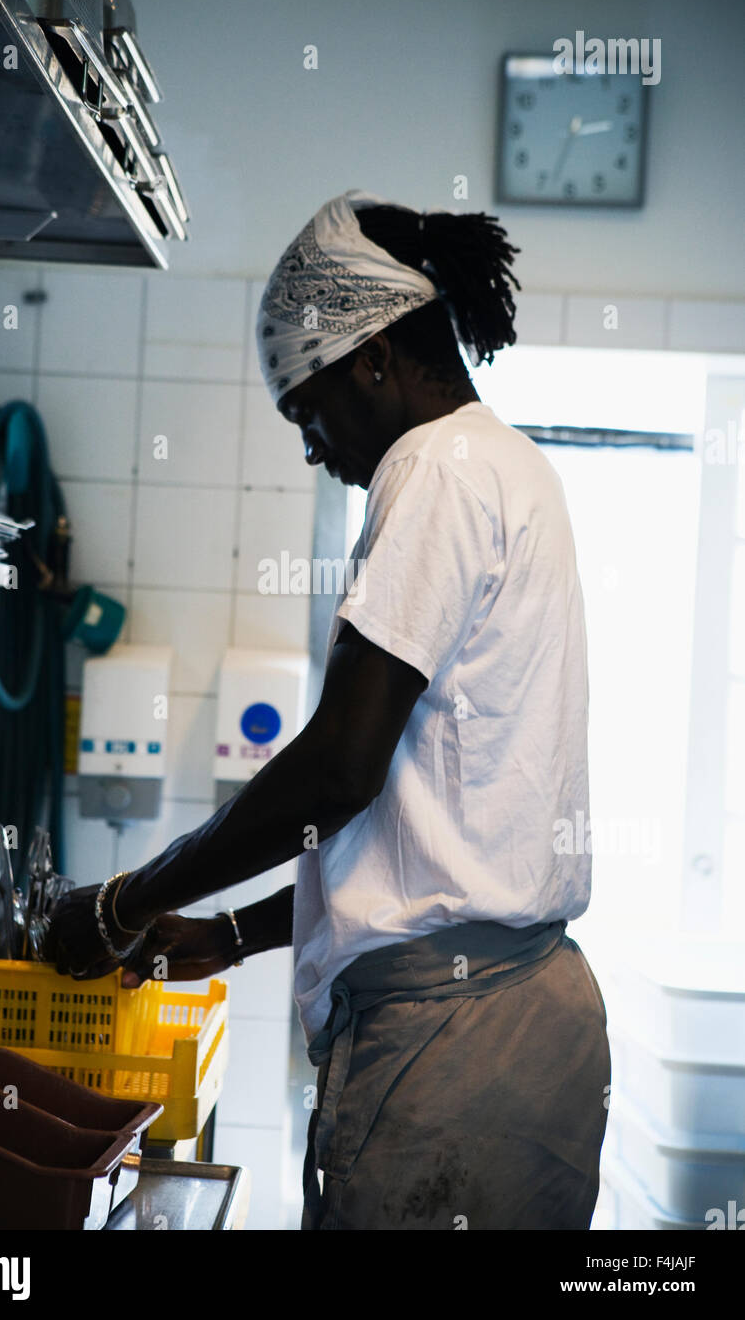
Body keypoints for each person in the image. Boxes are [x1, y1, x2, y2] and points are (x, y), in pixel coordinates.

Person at [47, 190, 611, 1231]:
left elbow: (336, 772)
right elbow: (429, 830)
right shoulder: (508, 466)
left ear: (372, 359)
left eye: (305, 410)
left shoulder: (431, 472)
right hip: (526, 1022)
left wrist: (124, 901)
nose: (312, 448)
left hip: (451, 1046)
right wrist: (231, 931)